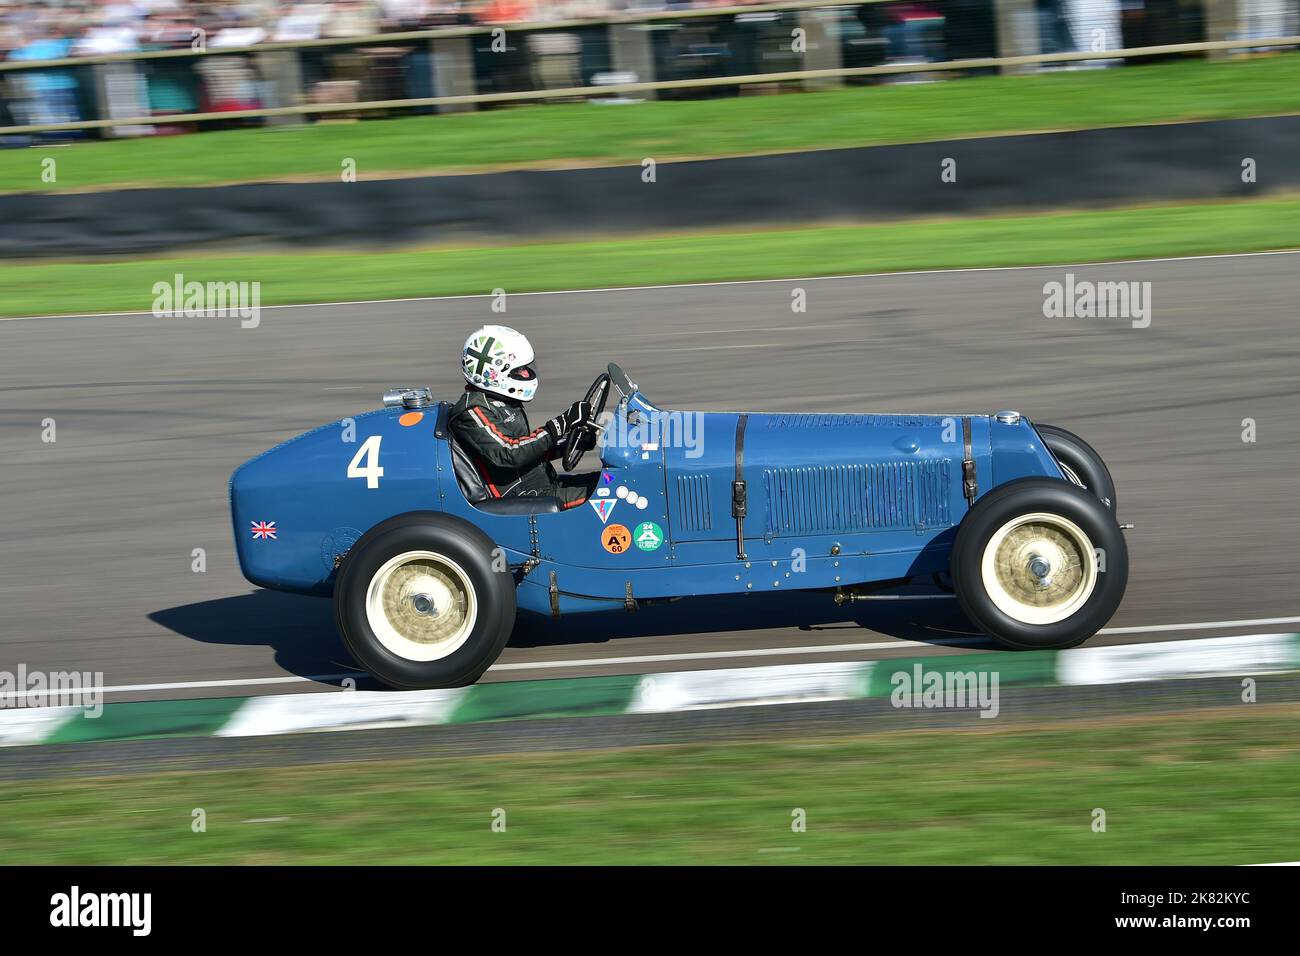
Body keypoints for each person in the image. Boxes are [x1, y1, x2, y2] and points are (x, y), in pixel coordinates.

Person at [448, 325, 600, 507]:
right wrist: (562, 423)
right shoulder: (471, 412)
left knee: (613, 480)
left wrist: (571, 443)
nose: (527, 373)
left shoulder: (504, 401)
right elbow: (509, 453)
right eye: (520, 370)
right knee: (615, 494)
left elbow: (529, 450)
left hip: (546, 484)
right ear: (494, 373)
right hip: (524, 496)